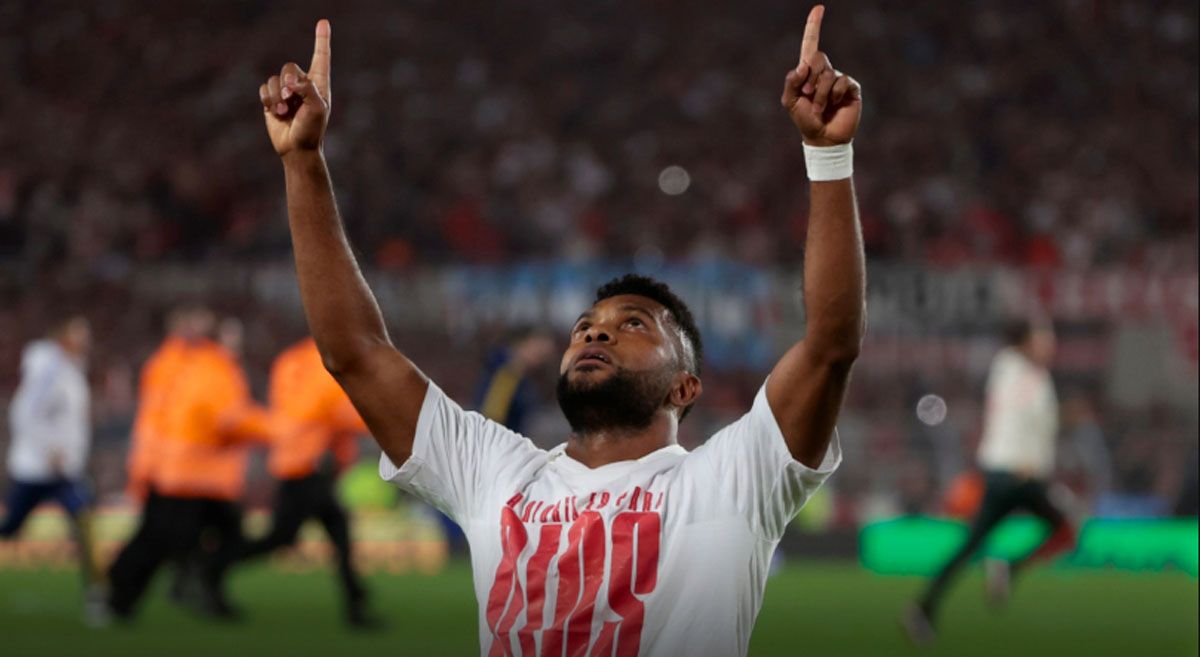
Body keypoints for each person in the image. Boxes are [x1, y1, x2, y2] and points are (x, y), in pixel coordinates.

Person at [257, 6, 863, 655]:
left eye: (633, 325)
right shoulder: (498, 473)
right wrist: (303, 161)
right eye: (585, 327)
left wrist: (828, 157)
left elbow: (829, 347)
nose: (595, 336)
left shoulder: (729, 482)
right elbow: (355, 353)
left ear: (685, 387)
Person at [903, 317, 1076, 644]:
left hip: (1001, 474)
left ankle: (923, 608)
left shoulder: (1017, 371)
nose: (1049, 345)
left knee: (971, 544)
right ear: (1026, 343)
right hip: (1018, 476)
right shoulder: (1021, 372)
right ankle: (1009, 569)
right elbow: (1028, 419)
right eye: (1043, 338)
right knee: (1066, 529)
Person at [107, 312, 272, 620]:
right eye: (233, 335)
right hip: (189, 474)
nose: (239, 342)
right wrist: (277, 429)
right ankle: (121, 593)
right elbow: (228, 419)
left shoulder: (196, 366)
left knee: (193, 538)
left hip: (190, 472)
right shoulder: (212, 369)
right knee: (162, 540)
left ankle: (194, 588)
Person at [212, 336, 379, 628]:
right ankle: (211, 567)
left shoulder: (289, 361)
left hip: (294, 460)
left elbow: (300, 408)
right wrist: (385, 420)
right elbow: (341, 411)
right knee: (283, 537)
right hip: (306, 466)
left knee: (336, 530)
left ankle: (356, 603)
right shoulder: (324, 364)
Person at [1, 315, 106, 624]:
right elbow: (25, 411)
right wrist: (49, 452)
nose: (85, 338)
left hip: (64, 473)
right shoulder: (50, 367)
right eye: (79, 332)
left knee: (84, 523)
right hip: (36, 469)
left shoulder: (71, 368)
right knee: (9, 528)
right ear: (61, 335)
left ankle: (98, 596)